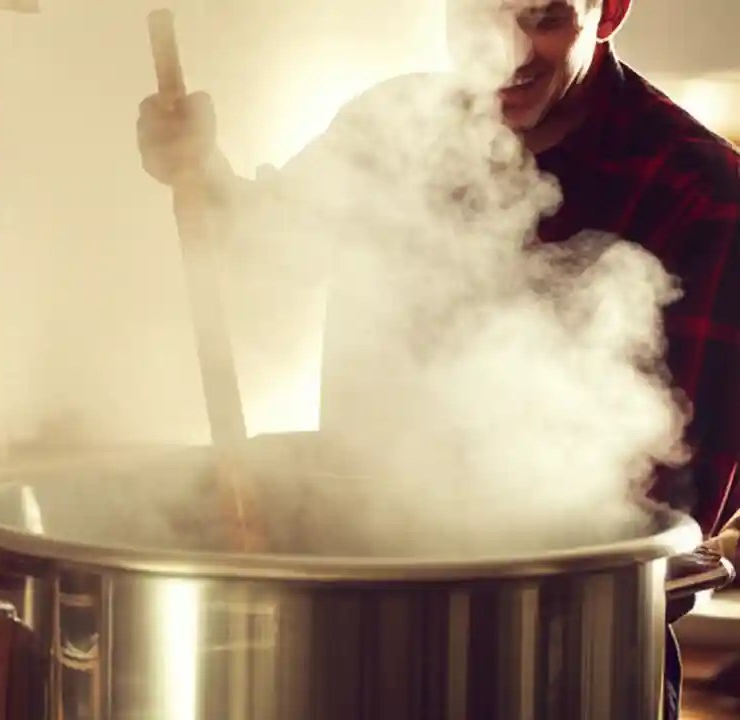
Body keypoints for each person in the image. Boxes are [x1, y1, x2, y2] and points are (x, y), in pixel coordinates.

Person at [137, 0, 740, 717]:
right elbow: (262, 253)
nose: (510, 52)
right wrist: (200, 175)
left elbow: (673, 509)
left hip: (567, 671)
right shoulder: (391, 127)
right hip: (348, 653)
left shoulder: (705, 194)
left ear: (608, 9)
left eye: (544, 17)